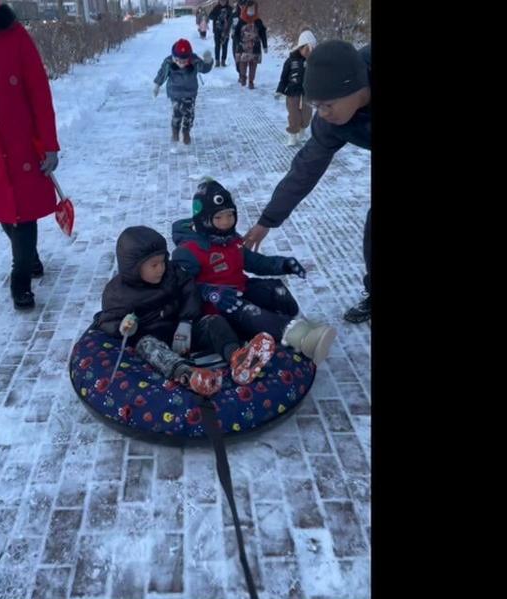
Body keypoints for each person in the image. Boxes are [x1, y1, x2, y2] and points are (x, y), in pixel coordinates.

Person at [245, 40, 373, 324]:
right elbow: (305, 168)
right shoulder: (331, 122)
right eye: (316, 106)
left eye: (328, 105)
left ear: (356, 89)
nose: (323, 113)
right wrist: (268, 220)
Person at [92, 226, 277, 395]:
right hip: (154, 339)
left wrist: (186, 321)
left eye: (162, 261)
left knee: (214, 322)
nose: (160, 268)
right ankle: (189, 375)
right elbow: (106, 320)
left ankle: (238, 358)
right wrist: (124, 328)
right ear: (134, 268)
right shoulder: (118, 293)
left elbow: (190, 291)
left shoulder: (172, 273)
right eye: (154, 265)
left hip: (182, 331)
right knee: (147, 345)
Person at [171, 179, 336, 365]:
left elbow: (254, 262)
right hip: (216, 306)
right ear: (204, 219)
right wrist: (209, 292)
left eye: (230, 215)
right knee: (249, 311)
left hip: (239, 289)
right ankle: (299, 338)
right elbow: (180, 287)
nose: (226, 222)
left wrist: (282, 265)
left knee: (276, 290)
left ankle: (300, 325)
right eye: (218, 217)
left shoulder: (231, 239)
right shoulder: (189, 251)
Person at [0, 0, 60, 310]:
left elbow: (38, 90)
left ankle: (20, 278)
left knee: (22, 211)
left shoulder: (13, 33)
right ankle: (28, 255)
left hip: (19, 141)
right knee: (6, 210)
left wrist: (49, 143)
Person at [153, 39, 214, 145]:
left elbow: (204, 68)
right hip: (174, 92)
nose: (181, 63)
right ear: (174, 57)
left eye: (184, 61)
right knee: (177, 112)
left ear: (189, 58)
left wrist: (208, 61)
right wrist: (157, 85)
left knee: (188, 113)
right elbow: (162, 73)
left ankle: (186, 131)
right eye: (178, 60)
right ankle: (175, 130)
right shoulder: (169, 62)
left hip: (190, 92)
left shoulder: (194, 61)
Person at [274, 30, 317, 146]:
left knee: (307, 115)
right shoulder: (291, 61)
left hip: (308, 92)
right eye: (307, 49)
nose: (309, 52)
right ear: (300, 47)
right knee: (294, 115)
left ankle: (302, 129)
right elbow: (283, 77)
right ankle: (292, 134)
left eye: (312, 49)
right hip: (292, 91)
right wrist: (279, 90)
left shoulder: (314, 61)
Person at [230, 1, 268, 89]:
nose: (251, 11)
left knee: (253, 65)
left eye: (253, 9)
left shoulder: (258, 21)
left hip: (255, 46)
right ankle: (243, 76)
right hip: (243, 46)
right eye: (250, 9)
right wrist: (238, 42)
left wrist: (265, 45)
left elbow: (263, 33)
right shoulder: (242, 20)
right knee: (243, 64)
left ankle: (251, 81)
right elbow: (236, 34)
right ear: (246, 9)